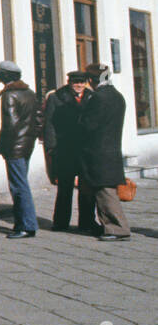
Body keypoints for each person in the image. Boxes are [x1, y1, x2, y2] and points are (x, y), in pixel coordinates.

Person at [79, 63, 131, 240]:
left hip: (98, 152)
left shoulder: (99, 98)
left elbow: (89, 125)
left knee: (105, 192)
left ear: (92, 80)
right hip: (110, 149)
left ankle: (117, 228)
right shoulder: (117, 96)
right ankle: (108, 226)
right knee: (105, 190)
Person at [0, 60, 42, 239]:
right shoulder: (29, 93)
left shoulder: (10, 95)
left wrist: (1, 145)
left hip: (14, 147)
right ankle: (23, 222)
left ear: (5, 75)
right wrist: (30, 138)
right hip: (26, 145)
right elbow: (38, 120)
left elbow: (10, 125)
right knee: (21, 183)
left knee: (19, 186)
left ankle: (26, 225)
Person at [43, 70, 95, 232]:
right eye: (75, 83)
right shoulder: (56, 97)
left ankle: (86, 222)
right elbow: (49, 124)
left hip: (85, 149)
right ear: (69, 83)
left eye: (82, 82)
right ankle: (60, 222)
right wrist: (51, 146)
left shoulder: (91, 97)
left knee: (86, 187)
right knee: (65, 187)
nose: (79, 86)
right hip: (64, 149)